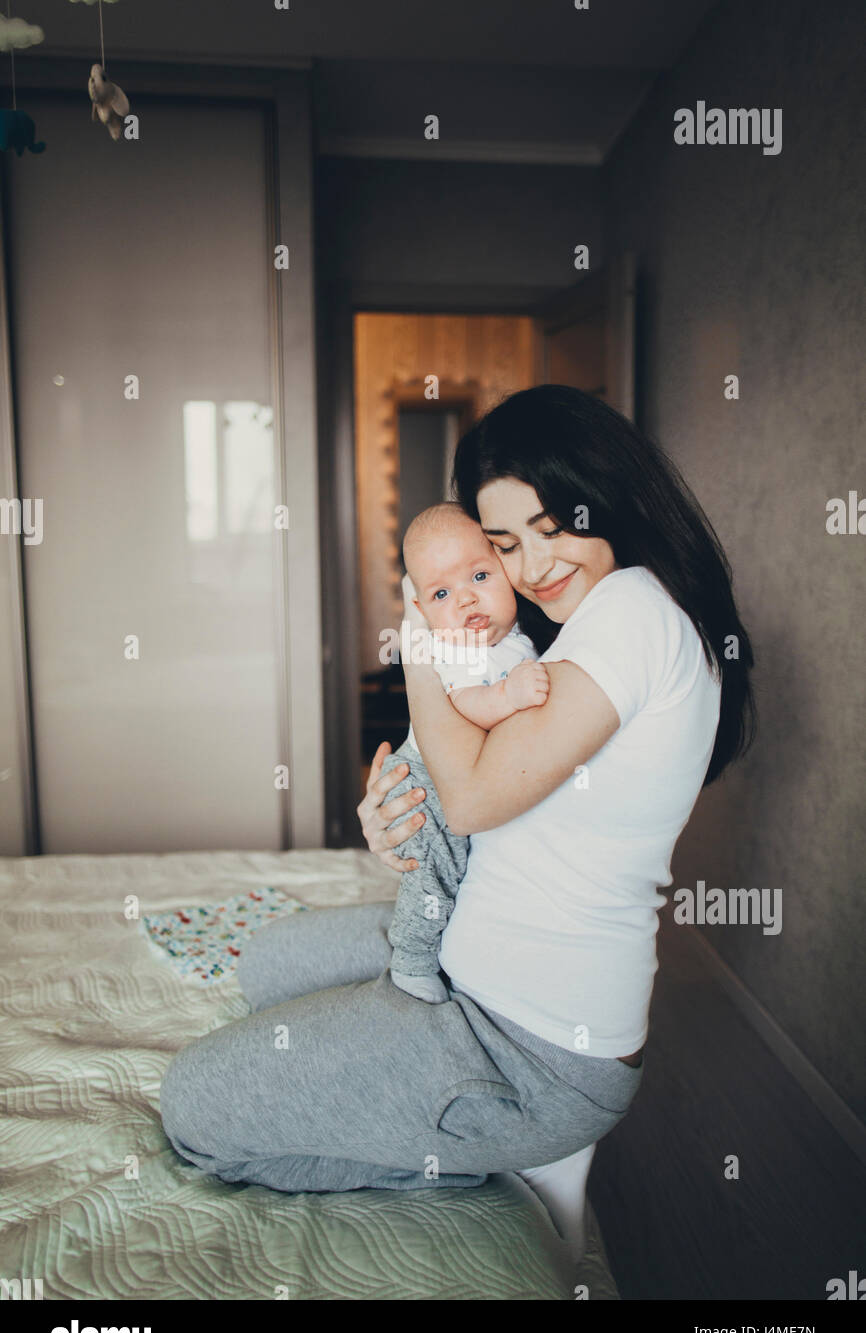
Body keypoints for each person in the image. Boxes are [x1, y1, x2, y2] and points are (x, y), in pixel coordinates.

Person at [159, 384, 755, 1267]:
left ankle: (490, 1164)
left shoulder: (633, 610)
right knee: (267, 962)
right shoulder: (571, 628)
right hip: (465, 950)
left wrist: (419, 645)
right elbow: (468, 808)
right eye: (504, 545)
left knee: (192, 1108)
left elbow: (472, 793)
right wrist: (396, 817)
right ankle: (450, 1125)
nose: (532, 566)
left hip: (526, 1047)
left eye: (553, 525)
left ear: (611, 495)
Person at [383, 501, 549, 1004]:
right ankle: (411, 959)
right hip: (423, 777)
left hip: (453, 774)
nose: (466, 600)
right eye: (441, 593)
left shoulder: (516, 640)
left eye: (480, 574)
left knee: (454, 868)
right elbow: (465, 706)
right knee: (435, 870)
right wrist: (509, 696)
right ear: (422, 612)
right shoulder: (452, 650)